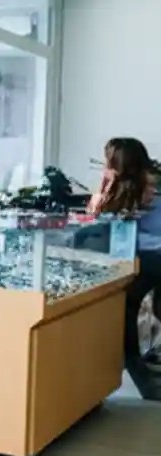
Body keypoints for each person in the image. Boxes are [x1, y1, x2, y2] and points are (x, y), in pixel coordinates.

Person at [88, 137, 161, 399]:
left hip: (148, 257)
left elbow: (97, 213)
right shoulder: (147, 181)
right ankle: (142, 375)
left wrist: (105, 185)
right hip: (146, 258)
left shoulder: (141, 187)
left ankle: (140, 375)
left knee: (121, 308)